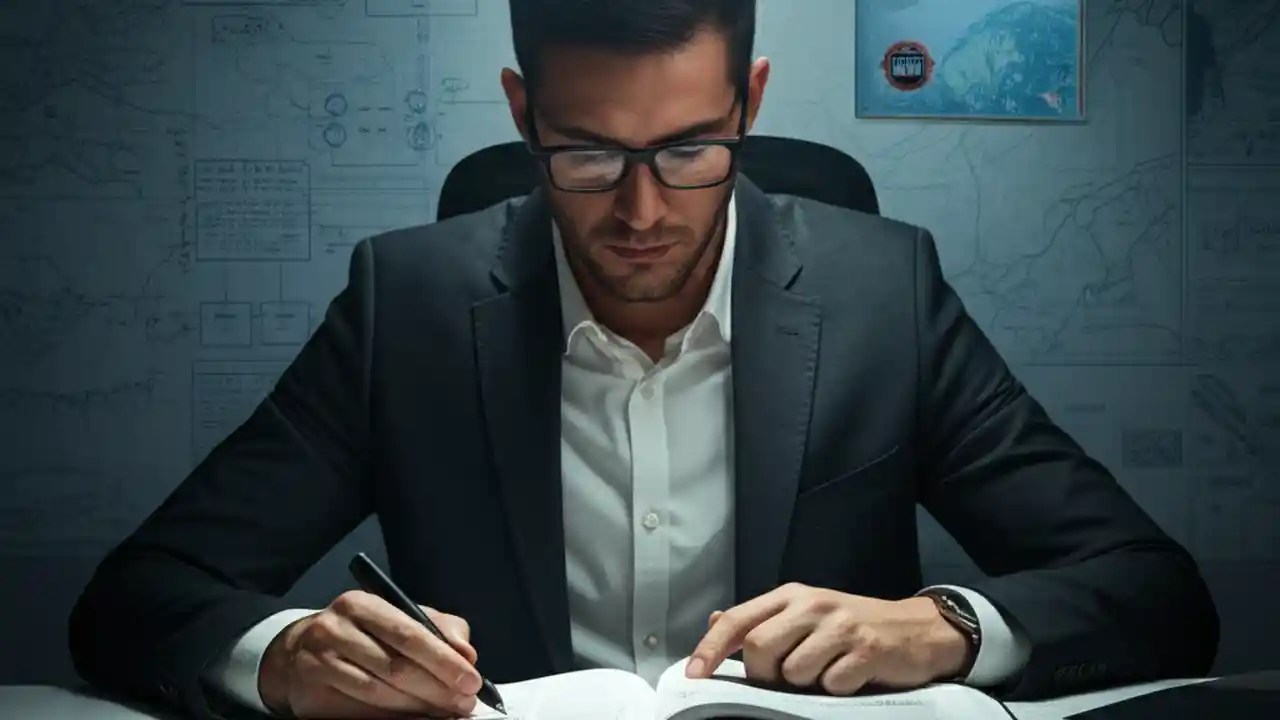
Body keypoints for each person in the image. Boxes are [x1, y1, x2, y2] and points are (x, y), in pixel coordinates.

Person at [67, 1, 1219, 718]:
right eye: (584, 154)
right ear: (524, 112)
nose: (640, 211)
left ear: (748, 100)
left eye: (688, 149)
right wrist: (285, 657)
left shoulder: (885, 293)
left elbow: (1154, 592)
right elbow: (135, 598)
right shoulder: (403, 306)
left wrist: (949, 628)